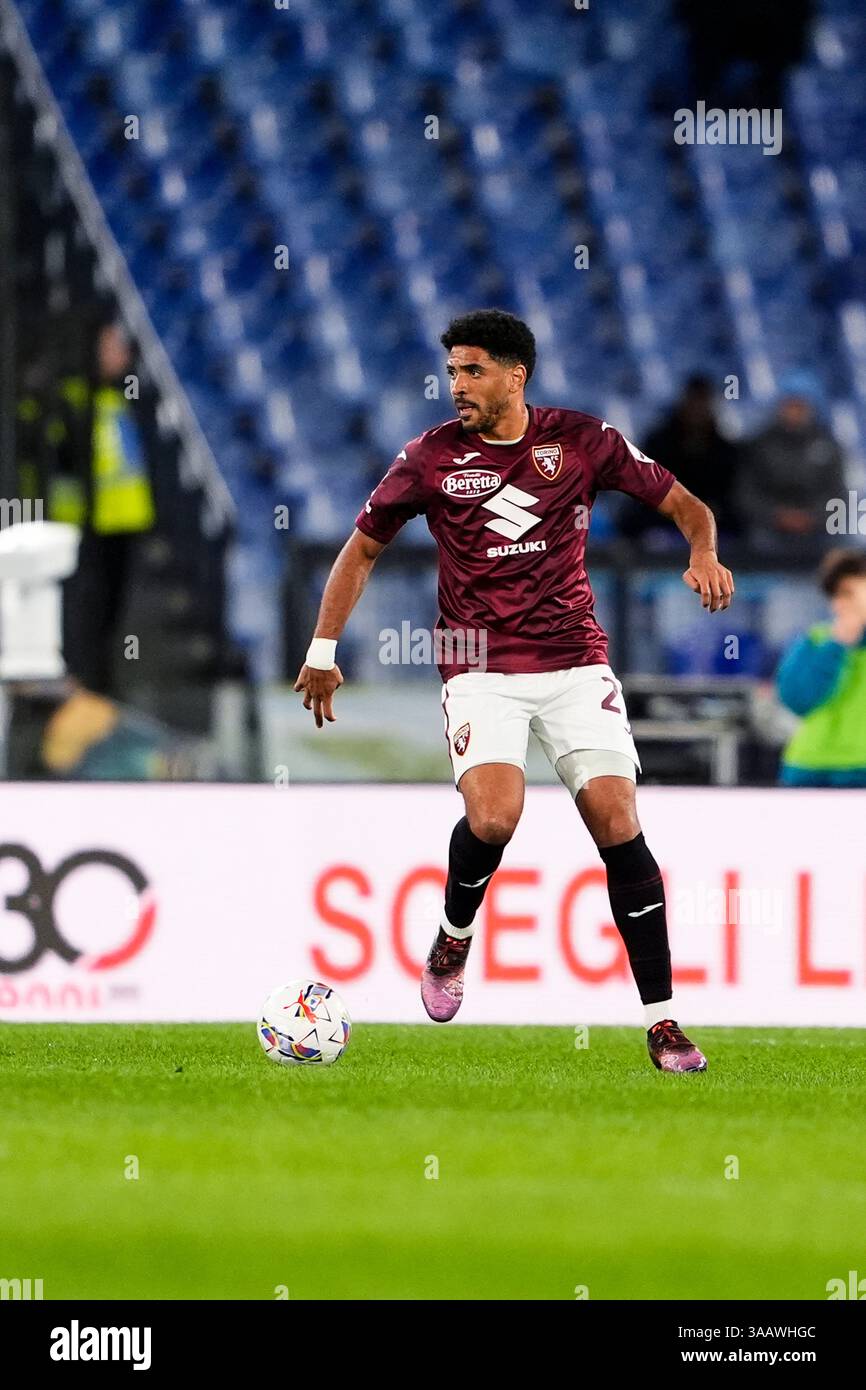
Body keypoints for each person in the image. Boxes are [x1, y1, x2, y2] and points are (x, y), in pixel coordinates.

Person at [294, 309, 734, 1073]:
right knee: (496, 818)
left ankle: (663, 1022)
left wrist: (703, 553)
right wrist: (323, 648)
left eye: (472, 370)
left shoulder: (583, 441)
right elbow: (361, 550)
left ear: (514, 375)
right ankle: (453, 937)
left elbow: (686, 506)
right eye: (453, 371)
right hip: (478, 664)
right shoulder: (428, 459)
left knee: (616, 819)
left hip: (573, 661)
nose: (455, 385)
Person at [55, 319, 157, 695]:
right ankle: (78, 678)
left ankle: (104, 683)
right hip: (81, 521)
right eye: (109, 346)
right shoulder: (74, 395)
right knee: (83, 604)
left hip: (124, 518)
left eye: (120, 347)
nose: (117, 355)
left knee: (114, 608)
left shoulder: (132, 395)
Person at [776, 549, 866, 787]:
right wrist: (836, 647)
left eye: (849, 593)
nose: (839, 605)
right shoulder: (816, 639)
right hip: (810, 768)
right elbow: (797, 699)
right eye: (835, 596)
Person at [737, 370, 846, 556]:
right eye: (790, 405)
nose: (794, 412)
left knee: (841, 544)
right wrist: (777, 516)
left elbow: (837, 495)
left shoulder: (828, 445)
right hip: (770, 528)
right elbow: (746, 494)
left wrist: (812, 517)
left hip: (816, 530)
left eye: (800, 406)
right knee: (757, 539)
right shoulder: (761, 444)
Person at [621, 374, 741, 542]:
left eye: (703, 403)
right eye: (694, 402)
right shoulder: (659, 443)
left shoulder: (724, 450)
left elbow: (730, 494)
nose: (698, 410)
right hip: (661, 517)